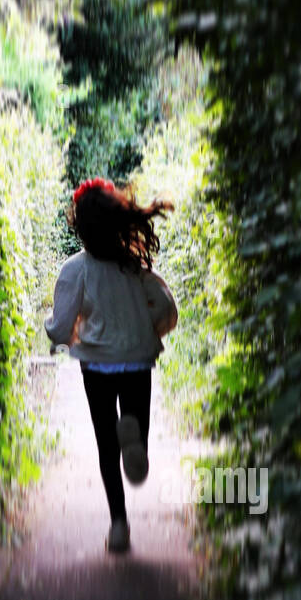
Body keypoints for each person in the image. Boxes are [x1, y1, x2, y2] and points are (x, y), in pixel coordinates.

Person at [45, 177, 178, 554]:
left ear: (81, 227)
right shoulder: (134, 268)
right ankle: (137, 441)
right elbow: (166, 307)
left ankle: (119, 525)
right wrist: (152, 330)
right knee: (136, 426)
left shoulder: (76, 270)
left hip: (97, 364)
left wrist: (56, 331)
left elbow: (60, 326)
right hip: (136, 358)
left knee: (106, 443)